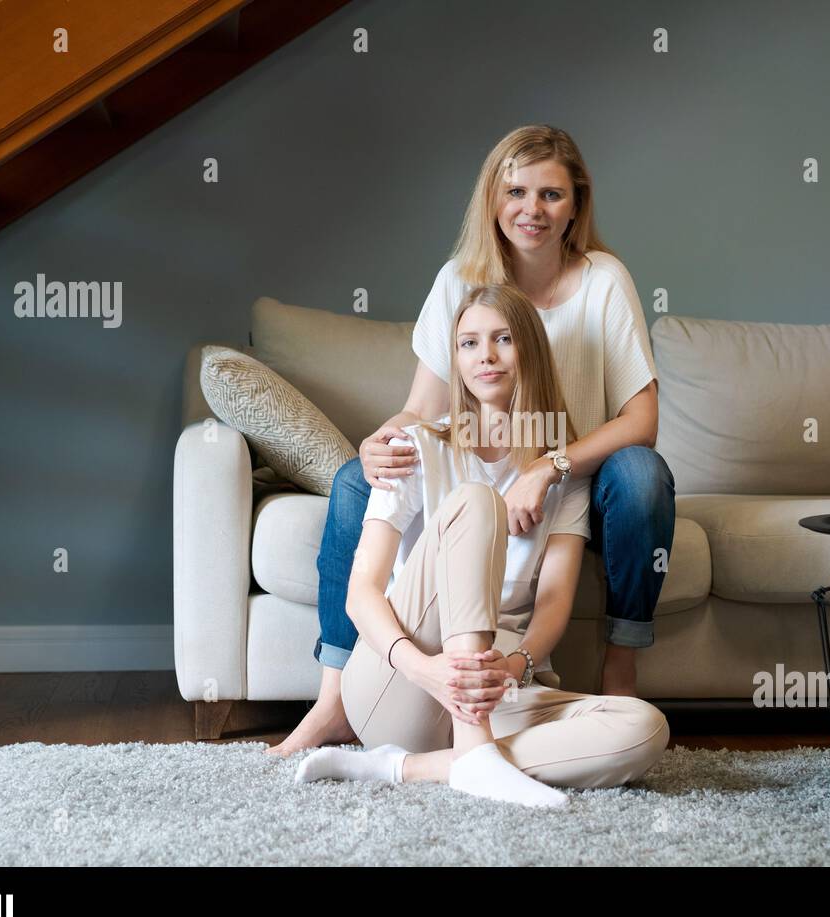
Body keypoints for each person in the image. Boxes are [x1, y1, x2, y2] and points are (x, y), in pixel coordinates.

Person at [267, 124, 675, 757]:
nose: (531, 211)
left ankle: (620, 665)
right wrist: (380, 444)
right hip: (479, 479)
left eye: (551, 195)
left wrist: (551, 464)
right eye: (515, 191)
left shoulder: (603, 279)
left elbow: (640, 421)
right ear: (492, 199)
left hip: (576, 470)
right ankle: (336, 698)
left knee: (643, 474)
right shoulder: (459, 279)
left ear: (576, 204)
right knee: (356, 475)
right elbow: (423, 412)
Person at [290, 284, 669, 807]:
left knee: (645, 727)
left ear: (530, 351)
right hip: (405, 684)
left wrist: (513, 668)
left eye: (503, 339)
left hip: (506, 686)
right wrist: (428, 670)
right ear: (455, 361)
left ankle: (407, 768)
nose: (484, 355)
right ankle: (474, 746)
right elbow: (361, 593)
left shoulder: (565, 475)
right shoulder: (413, 448)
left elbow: (554, 601)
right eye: (468, 343)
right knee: (477, 501)